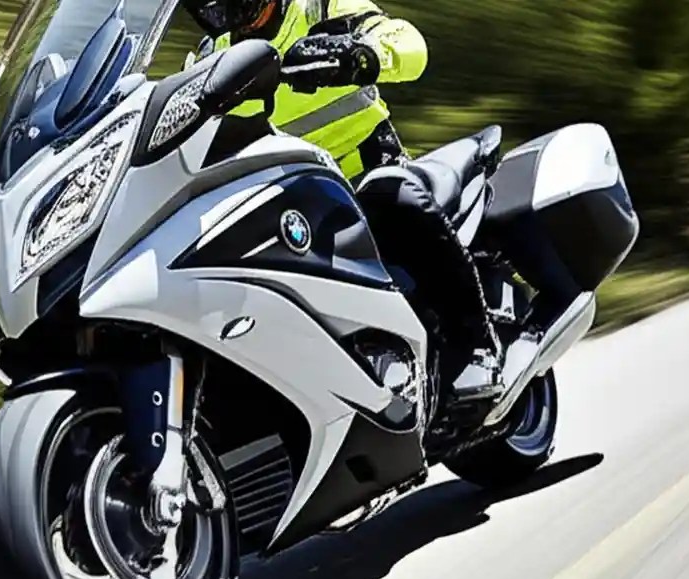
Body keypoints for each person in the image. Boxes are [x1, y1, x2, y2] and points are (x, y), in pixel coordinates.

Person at [181, 0, 505, 400]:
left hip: (363, 166)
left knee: (393, 198)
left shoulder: (320, 7)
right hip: (287, 195)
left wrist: (359, 54)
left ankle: (475, 345)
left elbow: (409, 45)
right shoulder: (212, 60)